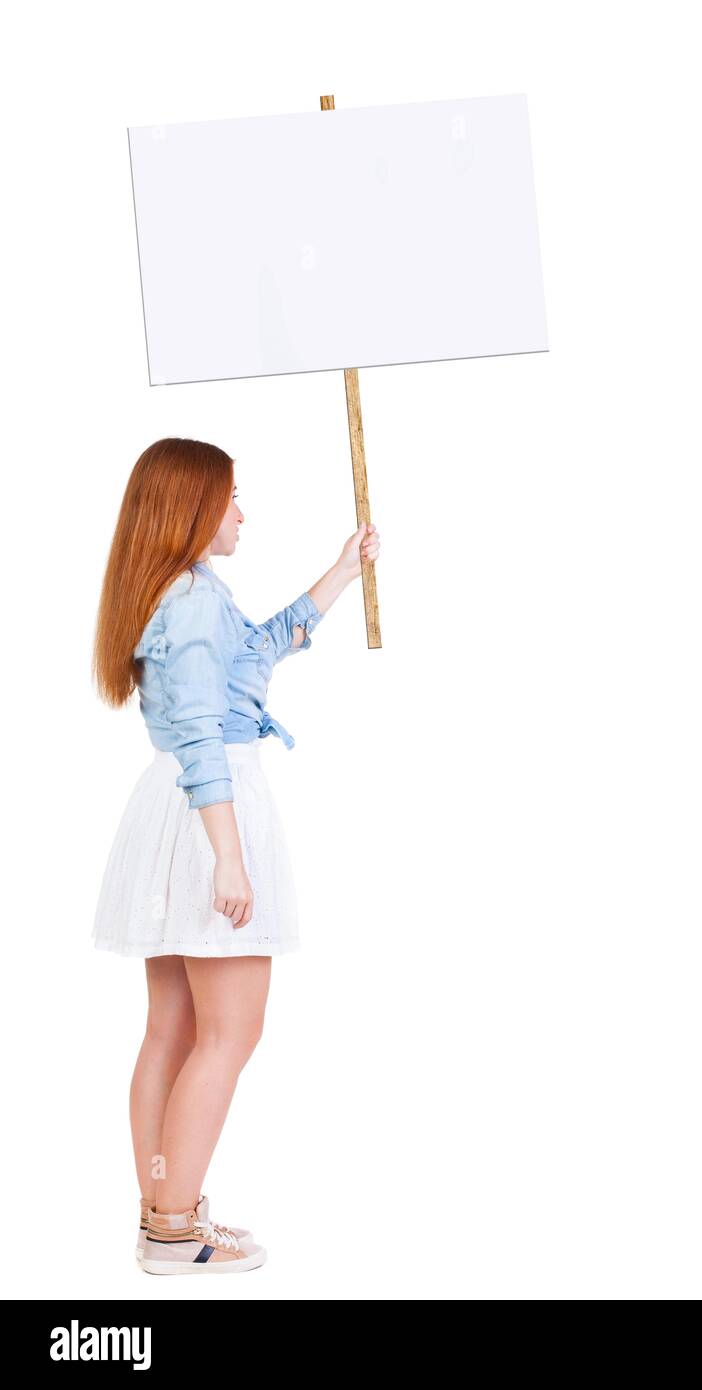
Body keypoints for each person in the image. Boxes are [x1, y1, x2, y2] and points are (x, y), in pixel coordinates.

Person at [90, 437, 381, 1274]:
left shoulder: (190, 592)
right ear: (193, 508)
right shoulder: (185, 602)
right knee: (229, 1031)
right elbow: (202, 737)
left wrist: (340, 572)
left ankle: (164, 1213)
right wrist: (228, 854)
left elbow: (254, 652)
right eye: (231, 499)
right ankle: (174, 1230)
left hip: (185, 805)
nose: (241, 513)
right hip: (206, 807)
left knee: (175, 1029)